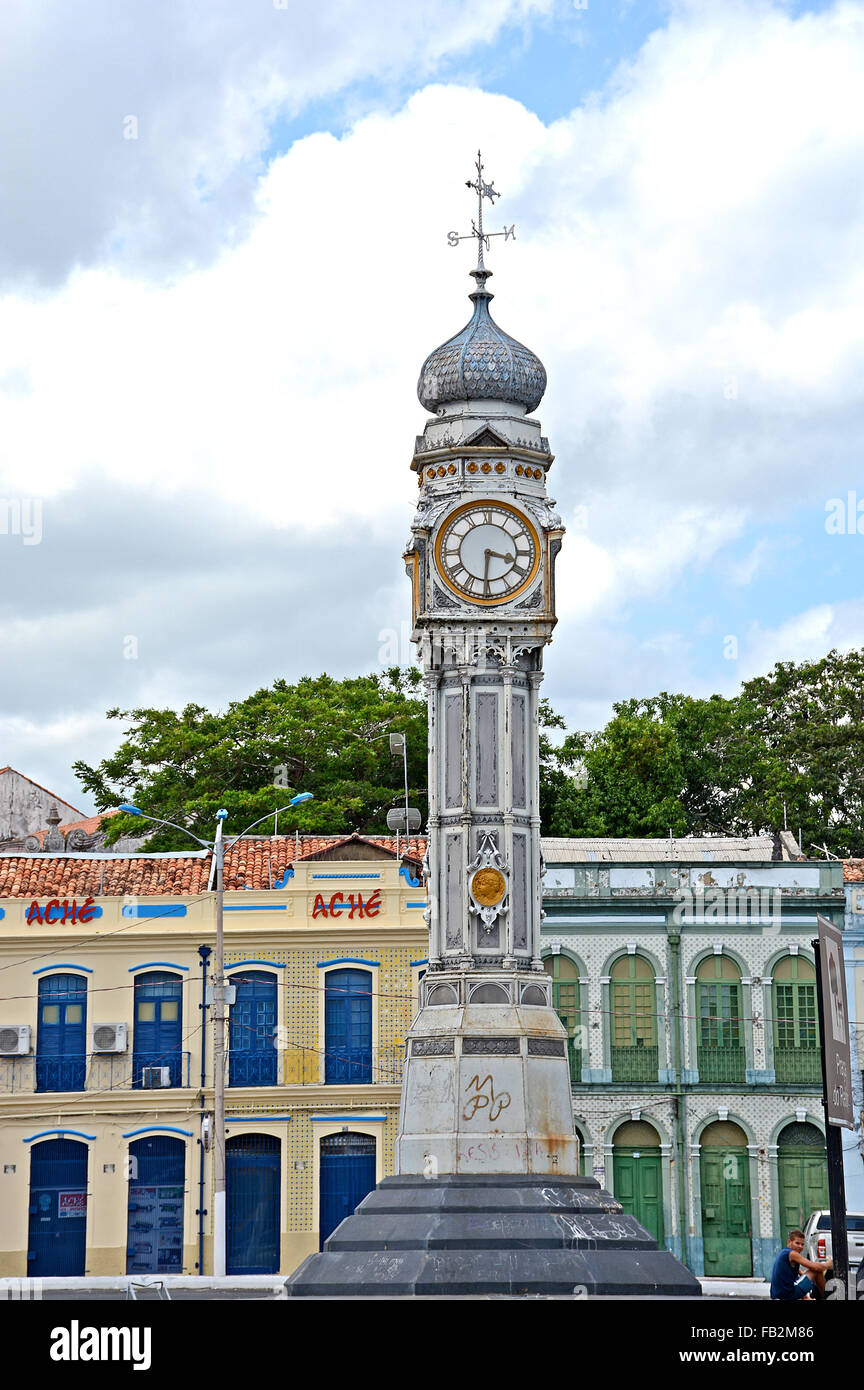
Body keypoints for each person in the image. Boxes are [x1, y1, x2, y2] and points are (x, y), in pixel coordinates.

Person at [770, 1228, 832, 1301]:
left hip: (778, 1294)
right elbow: (814, 1266)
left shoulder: (784, 1253)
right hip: (787, 1294)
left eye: (802, 1244)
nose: (800, 1246)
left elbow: (799, 1275)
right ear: (789, 1242)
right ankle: (826, 1297)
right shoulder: (792, 1254)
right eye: (797, 1243)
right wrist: (828, 1265)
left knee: (809, 1273)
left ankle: (812, 1297)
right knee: (816, 1270)